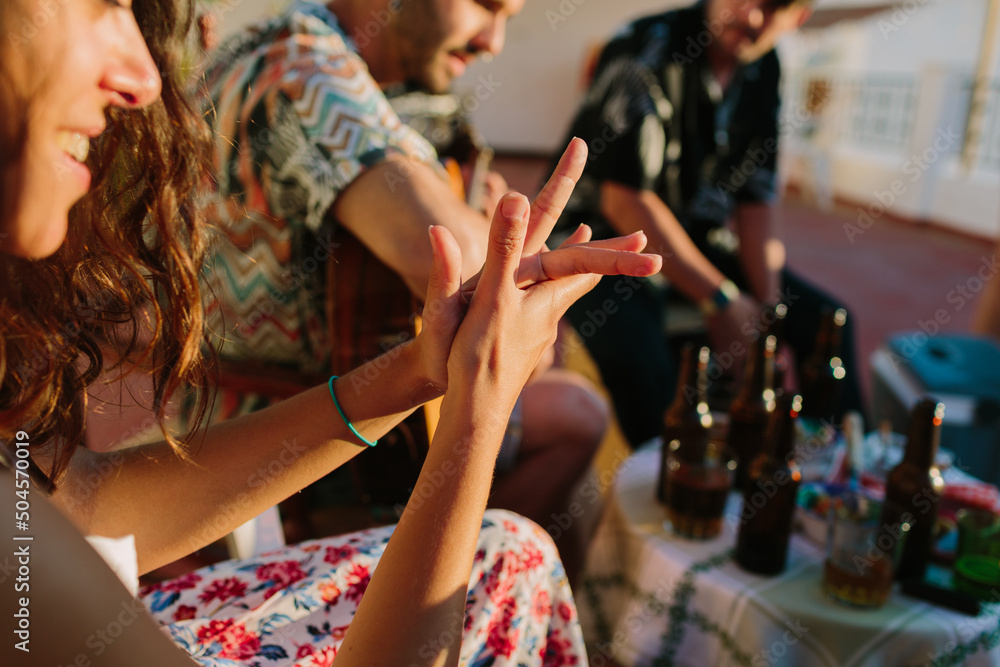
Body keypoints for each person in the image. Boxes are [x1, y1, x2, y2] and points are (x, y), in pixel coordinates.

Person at [0, 0, 661, 664]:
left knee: (528, 530)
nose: (146, 79)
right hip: (306, 469)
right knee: (534, 516)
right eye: (101, 4)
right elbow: (463, 254)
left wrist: (415, 371)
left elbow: (79, 498)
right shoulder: (301, 67)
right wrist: (476, 410)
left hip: (254, 439)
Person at [194, 0, 609, 577]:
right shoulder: (305, 75)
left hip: (318, 404)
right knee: (577, 416)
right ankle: (450, 616)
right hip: (293, 448)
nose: (494, 41)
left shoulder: (295, 51)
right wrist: (492, 241)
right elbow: (480, 290)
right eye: (486, 6)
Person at [548, 0, 865, 446]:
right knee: (643, 358)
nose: (754, 17)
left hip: (695, 241)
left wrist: (768, 317)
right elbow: (625, 202)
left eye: (774, 7)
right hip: (600, 243)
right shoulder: (643, 47)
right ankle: (674, 491)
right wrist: (720, 300)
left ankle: (832, 478)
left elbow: (756, 203)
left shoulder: (764, 67)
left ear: (798, 17)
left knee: (827, 326)